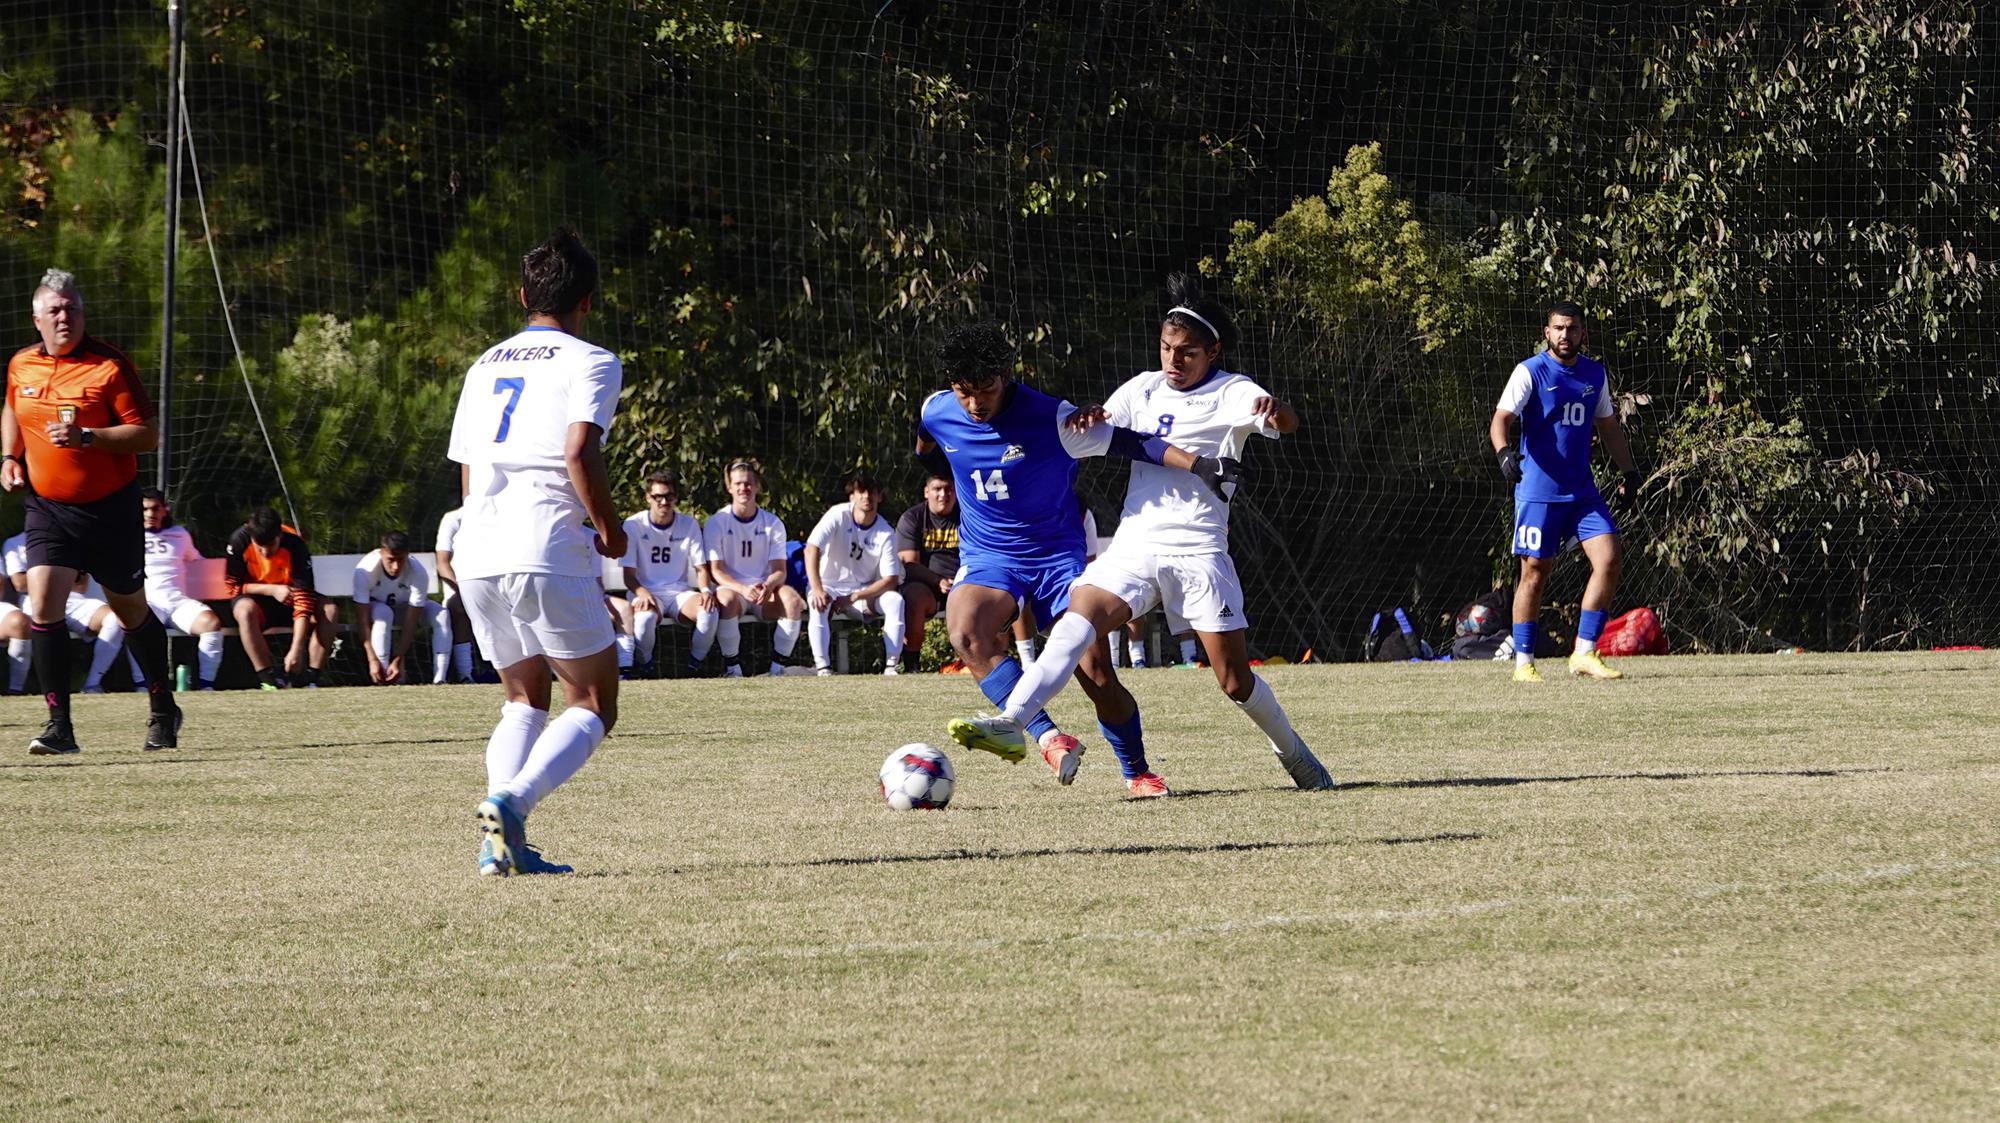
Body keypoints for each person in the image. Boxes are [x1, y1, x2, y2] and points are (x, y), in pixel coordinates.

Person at [950, 275, 1334, 793]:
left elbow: (1286, 422)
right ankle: (1012, 722)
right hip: (1134, 543)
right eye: (1166, 348)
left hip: (1198, 550)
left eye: (1187, 353)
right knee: (1077, 621)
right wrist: (1088, 414)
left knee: (1234, 681)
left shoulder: (1234, 390)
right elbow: (1107, 428)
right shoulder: (1143, 387)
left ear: (1213, 352)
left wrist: (1276, 411)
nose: (1173, 360)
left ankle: (1295, 755)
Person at [920, 320, 1233, 793]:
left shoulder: (1053, 418)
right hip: (989, 554)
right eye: (964, 392)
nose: (974, 404)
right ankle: (1047, 737)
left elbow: (1132, 441)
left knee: (1095, 672)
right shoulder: (937, 410)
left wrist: (1199, 465)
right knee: (965, 633)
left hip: (1054, 556)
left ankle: (1137, 771)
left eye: (984, 390)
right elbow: (926, 445)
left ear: (1005, 374)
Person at [447, 227, 624, 878]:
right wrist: (609, 528)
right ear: (589, 301)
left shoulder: (483, 364)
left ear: (523, 295)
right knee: (594, 700)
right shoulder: (592, 360)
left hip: (477, 544)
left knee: (523, 698)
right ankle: (510, 804)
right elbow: (578, 450)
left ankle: (500, 848)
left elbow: (469, 468)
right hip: (544, 539)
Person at [2, 268, 179, 752]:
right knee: (42, 603)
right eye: (55, 311)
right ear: (36, 318)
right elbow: (12, 408)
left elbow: (147, 434)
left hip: (110, 509)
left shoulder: (109, 366)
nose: (65, 318)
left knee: (129, 608)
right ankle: (60, 727)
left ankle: (163, 707)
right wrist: (9, 457)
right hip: (48, 507)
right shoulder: (21, 365)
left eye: (73, 309)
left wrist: (88, 438)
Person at [1490, 300, 1641, 682]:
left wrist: (1630, 472)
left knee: (1608, 557)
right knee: (1535, 574)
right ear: (1547, 332)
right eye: (1558, 328)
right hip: (1538, 492)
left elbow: (1608, 427)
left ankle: (1584, 652)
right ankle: (1523, 663)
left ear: (1582, 333)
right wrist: (1505, 453)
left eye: (1572, 329)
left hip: (1581, 493)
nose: (1565, 335)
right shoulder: (1530, 372)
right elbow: (1500, 420)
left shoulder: (1594, 374)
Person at [700, 459, 806, 677]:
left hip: (763, 591)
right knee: (726, 600)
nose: (743, 488)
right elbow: (716, 571)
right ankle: (733, 670)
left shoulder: (772, 523)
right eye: (738, 483)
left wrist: (768, 585)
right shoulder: (717, 522)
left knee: (793, 601)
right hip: (733, 590)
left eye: (748, 483)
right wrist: (742, 589)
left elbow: (780, 570)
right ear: (729, 487)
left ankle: (777, 670)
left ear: (757, 486)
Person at [4, 530, 137, 693]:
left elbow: (81, 583)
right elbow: (20, 584)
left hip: (74, 601)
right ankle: (16, 689)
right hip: (36, 603)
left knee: (114, 618)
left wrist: (40, 578)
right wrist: (64, 577)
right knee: (24, 624)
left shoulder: (72, 537)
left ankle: (92, 684)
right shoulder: (15, 543)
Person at [803, 471, 905, 675]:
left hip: (861, 594)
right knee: (817, 603)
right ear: (852, 495)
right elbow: (811, 548)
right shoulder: (837, 514)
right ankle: (823, 668)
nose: (867, 496)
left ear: (879, 496)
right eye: (861, 491)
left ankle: (891, 667)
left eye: (872, 492)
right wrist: (817, 588)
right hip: (828, 586)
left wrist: (854, 597)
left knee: (895, 600)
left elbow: (890, 580)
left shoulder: (886, 532)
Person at [225, 508, 339, 689]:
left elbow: (303, 599)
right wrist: (272, 590)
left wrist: (296, 649)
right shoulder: (239, 540)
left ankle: (310, 677)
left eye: (270, 545)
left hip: (291, 603)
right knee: (244, 611)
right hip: (258, 603)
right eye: (259, 546)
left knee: (329, 609)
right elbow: (232, 587)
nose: (264, 552)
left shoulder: (295, 544)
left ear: (279, 535)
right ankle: (267, 678)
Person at [619, 469, 718, 676]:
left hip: (678, 593)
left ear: (676, 498)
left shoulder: (688, 524)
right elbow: (628, 574)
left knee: (709, 612)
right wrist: (642, 593)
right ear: (648, 497)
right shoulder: (633, 525)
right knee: (644, 620)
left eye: (669, 497)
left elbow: (701, 568)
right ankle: (645, 666)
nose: (664, 502)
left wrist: (706, 590)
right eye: (658, 497)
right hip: (645, 591)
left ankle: (694, 666)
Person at [140, 487, 226, 690]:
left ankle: (206, 686)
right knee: (138, 628)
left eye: (155, 508)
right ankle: (143, 685)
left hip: (178, 603)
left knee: (211, 624)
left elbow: (198, 561)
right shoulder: (129, 537)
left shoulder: (179, 534)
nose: (150, 514)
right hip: (148, 603)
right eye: (145, 509)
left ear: (164, 510)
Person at [351, 530, 452, 685]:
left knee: (442, 614)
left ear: (407, 555)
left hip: (405, 610)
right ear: (381, 553)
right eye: (390, 559)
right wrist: (372, 659)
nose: (396, 566)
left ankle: (440, 679)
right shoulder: (366, 570)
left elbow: (412, 620)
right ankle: (382, 675)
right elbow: (362, 619)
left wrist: (398, 658)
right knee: (384, 614)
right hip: (378, 609)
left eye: (401, 559)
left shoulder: (417, 572)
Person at [894, 472, 959, 673]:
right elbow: (909, 563)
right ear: (926, 492)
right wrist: (938, 580)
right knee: (913, 596)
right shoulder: (912, 518)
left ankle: (987, 662)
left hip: (964, 583)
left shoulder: (968, 515)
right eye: (937, 489)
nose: (943, 495)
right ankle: (912, 665)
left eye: (948, 489)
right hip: (928, 586)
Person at [431, 506, 478, 682]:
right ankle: (465, 675)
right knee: (460, 606)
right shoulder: (453, 519)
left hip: (496, 588)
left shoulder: (502, 513)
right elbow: (442, 565)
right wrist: (463, 591)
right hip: (461, 589)